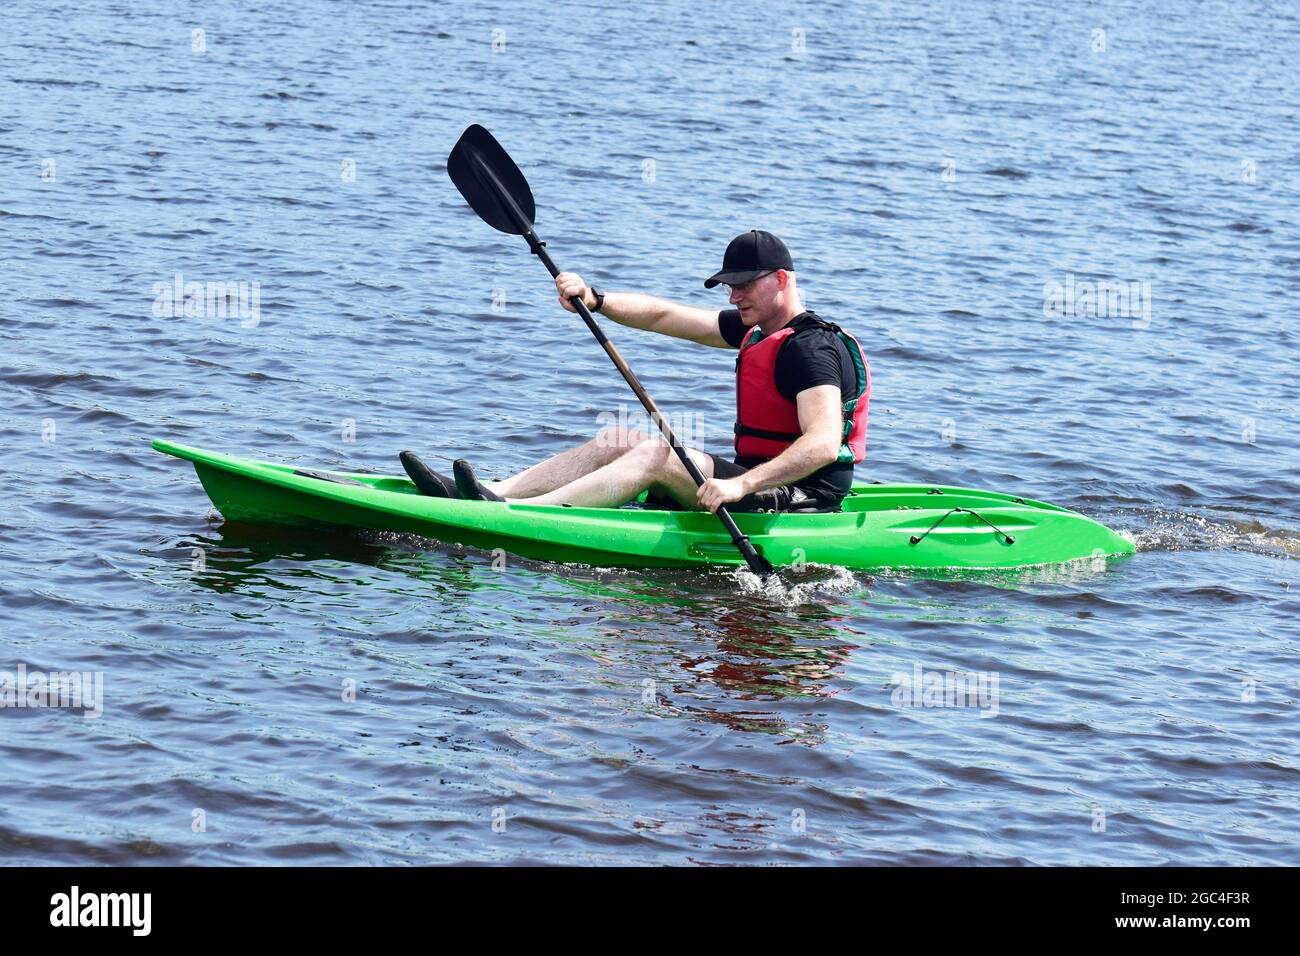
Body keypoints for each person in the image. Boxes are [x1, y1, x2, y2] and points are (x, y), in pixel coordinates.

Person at [402, 230, 870, 514]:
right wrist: (597, 300)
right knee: (619, 438)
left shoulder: (811, 349)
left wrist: (740, 484)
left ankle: (520, 514)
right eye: (730, 286)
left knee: (657, 456)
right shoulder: (757, 331)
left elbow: (823, 443)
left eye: (744, 285)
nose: (733, 297)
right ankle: (492, 491)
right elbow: (663, 315)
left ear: (782, 280)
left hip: (799, 497)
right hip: (756, 478)